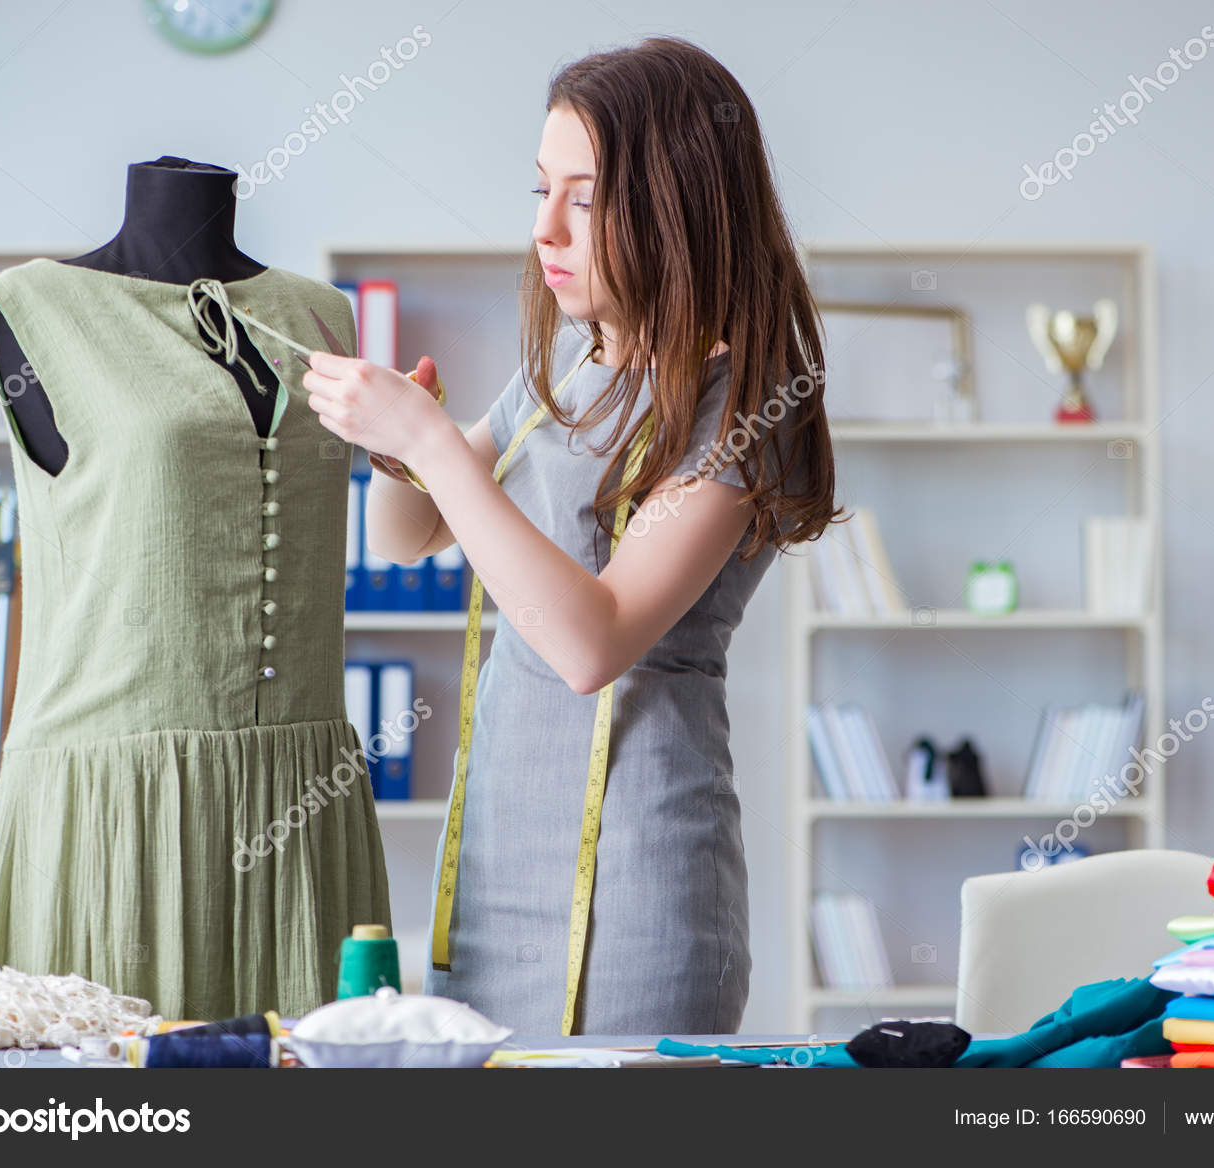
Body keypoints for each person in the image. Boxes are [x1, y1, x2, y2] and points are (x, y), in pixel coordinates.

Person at [303, 36, 836, 1035]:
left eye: (584, 198)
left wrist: (431, 443)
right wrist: (396, 454)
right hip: (502, 856)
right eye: (541, 187)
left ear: (677, 203)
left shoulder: (746, 407)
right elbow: (410, 533)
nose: (545, 226)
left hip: (640, 877)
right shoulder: (568, 372)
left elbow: (594, 641)